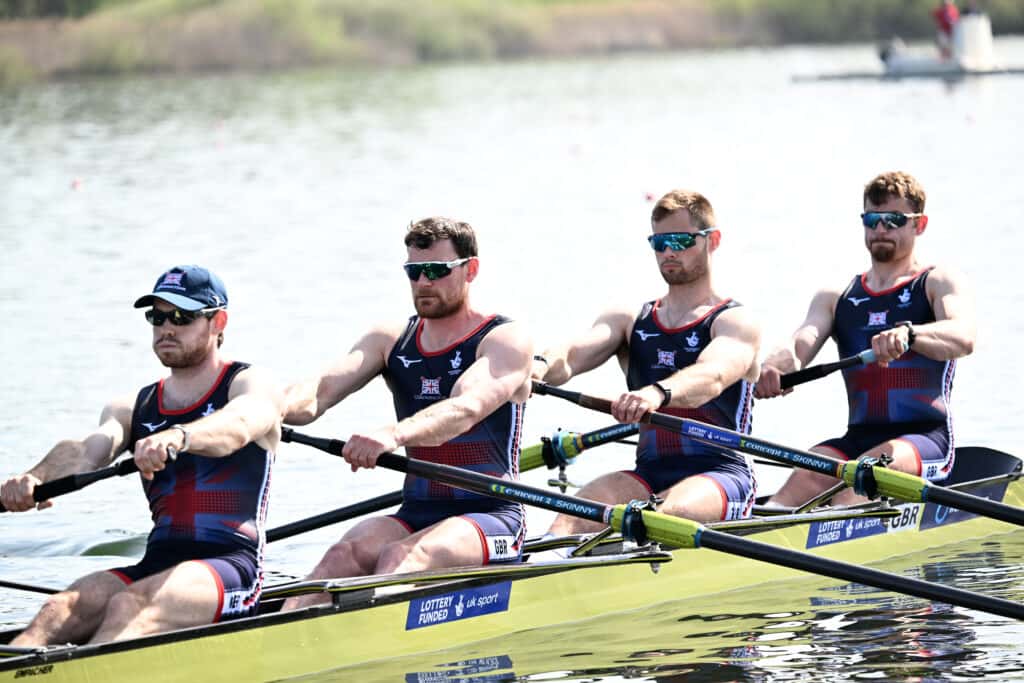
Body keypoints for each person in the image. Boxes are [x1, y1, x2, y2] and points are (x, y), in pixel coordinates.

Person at [0, 265, 283, 645]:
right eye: (157, 316)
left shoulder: (249, 383)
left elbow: (241, 425)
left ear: (218, 321)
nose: (166, 327)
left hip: (231, 568)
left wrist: (180, 437)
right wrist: (36, 478)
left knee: (129, 606)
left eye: (181, 316)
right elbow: (87, 452)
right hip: (156, 563)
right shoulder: (134, 405)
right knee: (61, 608)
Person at [281, 217, 532, 610]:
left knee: (400, 558)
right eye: (414, 272)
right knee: (341, 557)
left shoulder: (502, 339)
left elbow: (463, 410)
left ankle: (358, 640)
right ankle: (279, 645)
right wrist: (255, 413)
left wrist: (393, 435)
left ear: (471, 270)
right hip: (417, 510)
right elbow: (316, 395)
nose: (423, 282)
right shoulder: (390, 340)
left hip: (490, 516)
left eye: (436, 271)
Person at [532, 189, 761, 546]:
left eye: (682, 241)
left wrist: (656, 393)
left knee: (658, 520)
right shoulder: (630, 319)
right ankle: (545, 566)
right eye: (659, 242)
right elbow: (573, 353)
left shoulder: (734, 321)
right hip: (648, 473)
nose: (669, 252)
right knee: (573, 517)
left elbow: (714, 376)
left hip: (721, 474)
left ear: (712, 240)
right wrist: (539, 367)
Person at [755, 171, 975, 507]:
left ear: (920, 224)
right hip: (857, 439)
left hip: (923, 440)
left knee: (860, 481)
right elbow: (800, 343)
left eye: (894, 220)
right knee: (802, 478)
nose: (881, 229)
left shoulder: (936, 282)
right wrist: (773, 366)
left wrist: (910, 333)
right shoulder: (837, 296)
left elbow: (964, 335)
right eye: (873, 220)